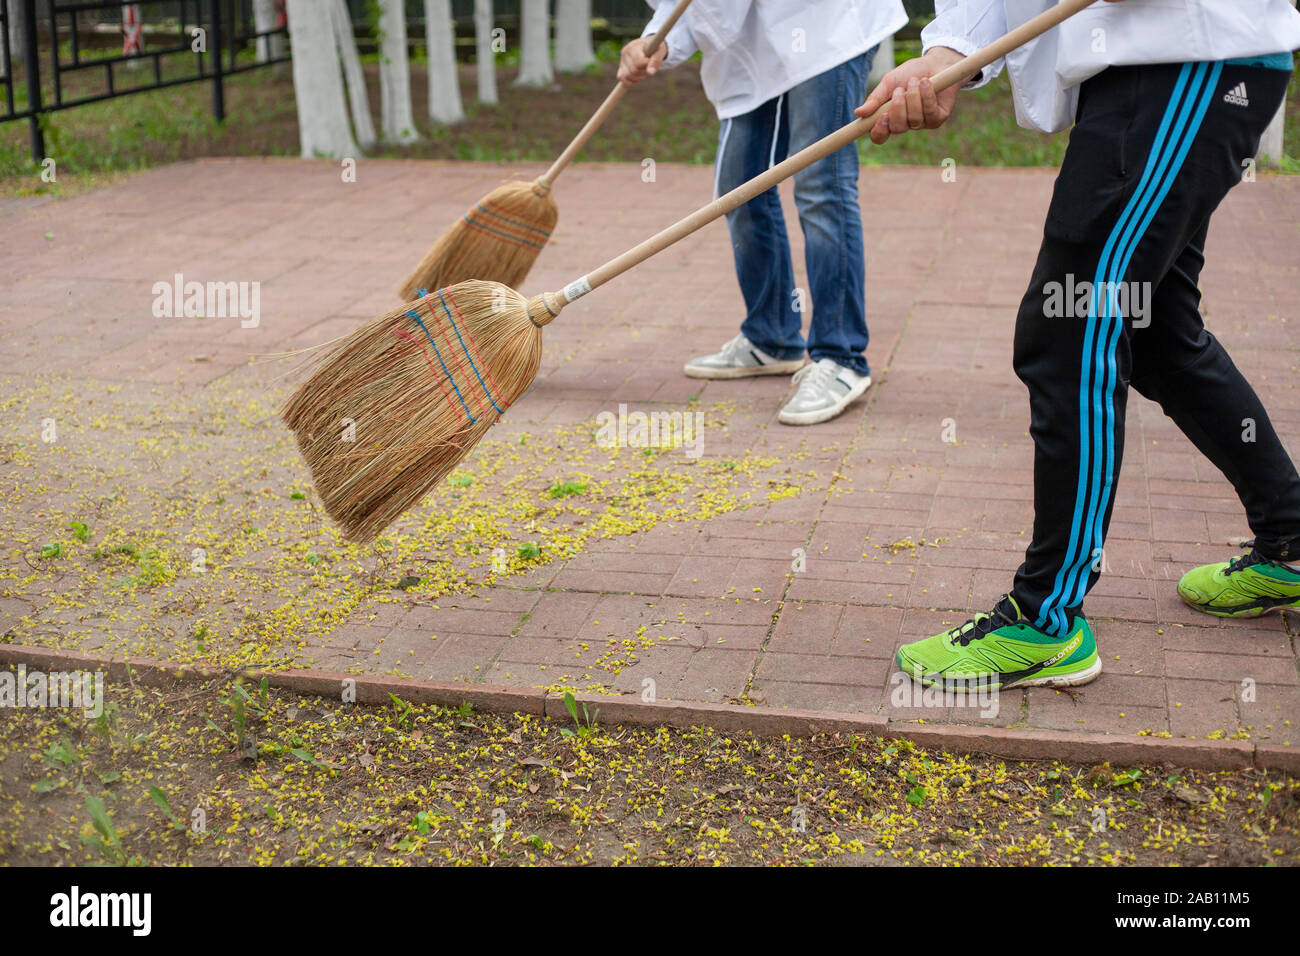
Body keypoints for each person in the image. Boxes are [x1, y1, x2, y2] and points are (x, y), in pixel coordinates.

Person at [860, 0, 1300, 689]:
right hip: (1152, 76)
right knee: (1152, 328)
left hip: (1188, 60)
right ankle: (1292, 540)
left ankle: (1046, 619)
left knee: (1071, 326)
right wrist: (948, 54)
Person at [620, 0, 907, 425]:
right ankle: (772, 335)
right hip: (750, 50)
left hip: (822, 23)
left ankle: (840, 357)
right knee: (738, 189)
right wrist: (658, 38)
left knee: (819, 185)